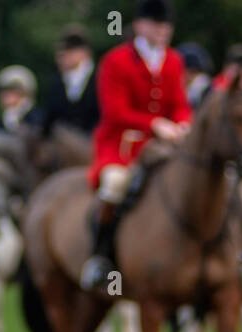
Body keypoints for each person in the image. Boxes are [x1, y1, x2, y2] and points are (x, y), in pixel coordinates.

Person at [81, 0, 191, 290]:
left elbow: (180, 105)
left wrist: (183, 124)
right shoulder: (115, 61)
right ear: (140, 26)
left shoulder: (174, 61)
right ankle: (100, 257)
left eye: (167, 25)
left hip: (164, 147)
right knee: (115, 184)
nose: (164, 31)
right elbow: (115, 112)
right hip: (121, 146)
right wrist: (154, 124)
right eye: (157, 25)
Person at [44, 26, 99, 137]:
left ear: (85, 52)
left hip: (92, 142)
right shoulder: (57, 83)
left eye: (71, 50)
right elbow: (49, 120)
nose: (64, 56)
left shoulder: (100, 79)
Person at [177, 42, 214, 110]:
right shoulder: (173, 85)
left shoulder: (205, 89)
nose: (189, 76)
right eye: (187, 71)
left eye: (194, 72)